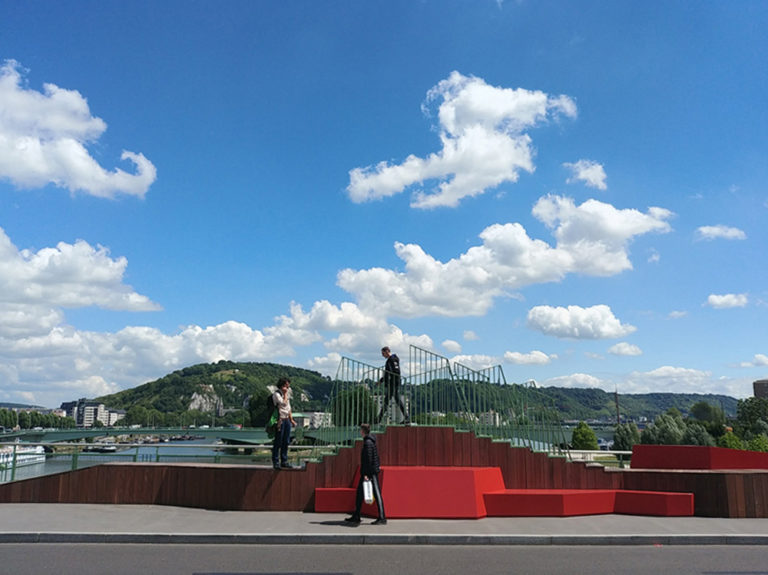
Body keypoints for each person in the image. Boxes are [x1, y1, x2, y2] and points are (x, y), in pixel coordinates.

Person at [345, 423, 386, 525]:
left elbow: (368, 460)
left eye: (360, 430)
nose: (360, 432)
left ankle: (382, 517)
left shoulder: (368, 443)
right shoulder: (370, 442)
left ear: (363, 431)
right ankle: (357, 515)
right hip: (371, 471)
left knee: (376, 493)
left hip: (369, 472)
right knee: (360, 494)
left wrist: (366, 474)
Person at [376, 346, 409, 424]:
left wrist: (384, 380)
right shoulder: (392, 360)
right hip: (393, 383)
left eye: (383, 353)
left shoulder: (392, 359)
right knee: (387, 401)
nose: (382, 355)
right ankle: (378, 419)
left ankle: (407, 417)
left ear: (387, 351)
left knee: (393, 400)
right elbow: (389, 373)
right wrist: (381, 381)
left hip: (393, 383)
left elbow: (394, 372)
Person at [271, 377, 296, 470]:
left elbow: (288, 408)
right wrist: (285, 394)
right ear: (282, 386)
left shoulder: (287, 394)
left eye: (288, 386)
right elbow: (283, 404)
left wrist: (291, 419)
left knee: (286, 441)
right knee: (278, 441)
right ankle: (276, 461)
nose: (288, 388)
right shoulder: (276, 394)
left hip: (287, 420)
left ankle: (284, 461)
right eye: (286, 386)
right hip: (280, 420)